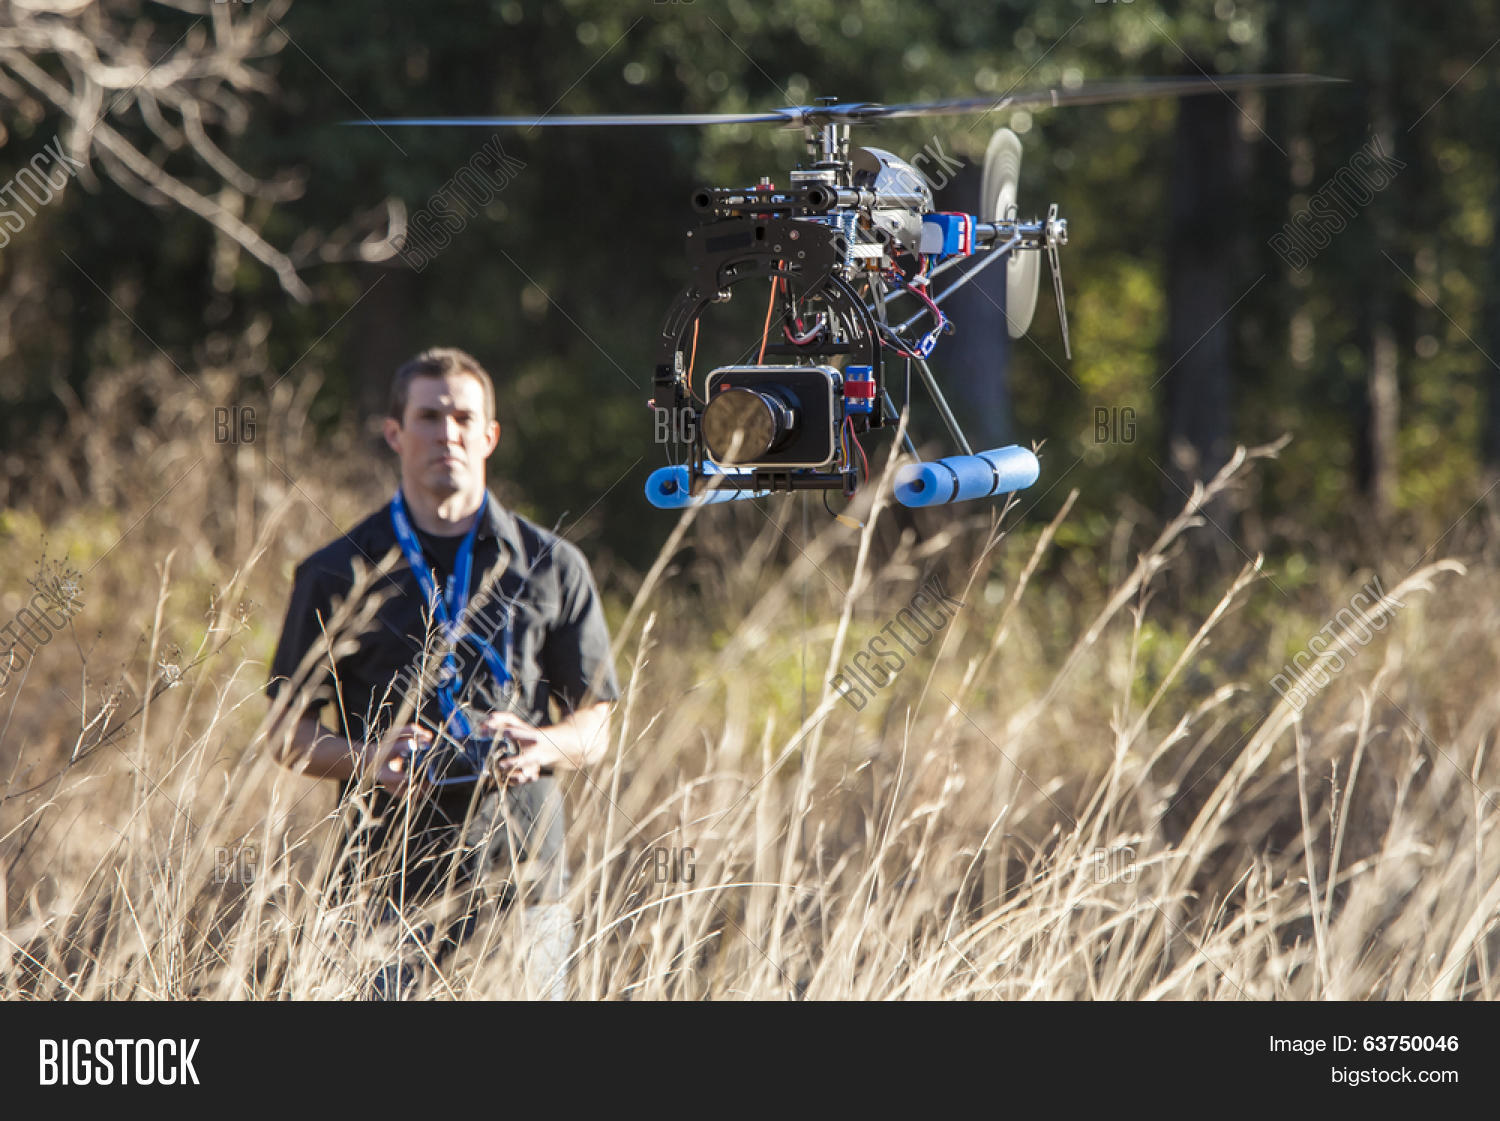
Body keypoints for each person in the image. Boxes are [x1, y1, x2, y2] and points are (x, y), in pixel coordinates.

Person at [264, 346, 618, 999]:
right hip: (382, 886)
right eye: (428, 417)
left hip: (524, 880)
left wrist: (542, 744)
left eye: (463, 418)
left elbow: (595, 728)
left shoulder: (553, 565)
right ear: (395, 433)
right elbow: (287, 734)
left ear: (490, 435)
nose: (447, 433)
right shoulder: (336, 570)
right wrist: (369, 759)